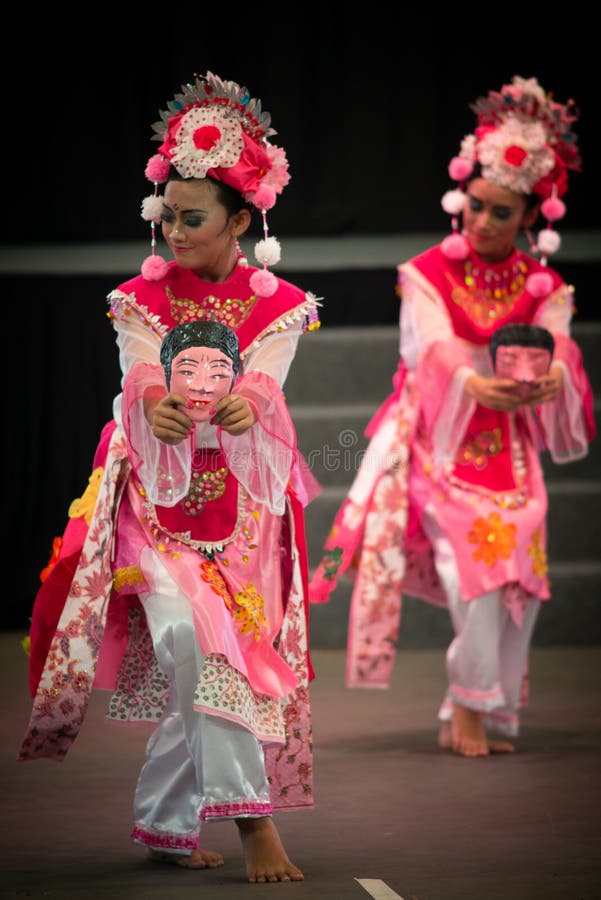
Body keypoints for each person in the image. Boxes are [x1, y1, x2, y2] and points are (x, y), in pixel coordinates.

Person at [19, 70, 322, 883]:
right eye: (168, 214)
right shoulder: (138, 301)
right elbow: (140, 373)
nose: (174, 231)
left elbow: (267, 380)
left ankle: (163, 820)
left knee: (215, 654)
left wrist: (251, 402)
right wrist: (152, 402)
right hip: (152, 501)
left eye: (193, 218)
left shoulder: (280, 304)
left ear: (241, 221)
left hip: (242, 510)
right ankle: (252, 820)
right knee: (193, 637)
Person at [310, 75, 595, 758]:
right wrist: (474, 383)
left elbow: (560, 346)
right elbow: (432, 348)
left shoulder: (545, 285)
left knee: (518, 573)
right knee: (475, 569)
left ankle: (481, 704)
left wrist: (552, 375)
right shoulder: (425, 273)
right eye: (475, 205)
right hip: (435, 437)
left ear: (530, 218)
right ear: (460, 196)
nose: (482, 221)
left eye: (501, 212)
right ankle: (469, 702)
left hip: (509, 447)